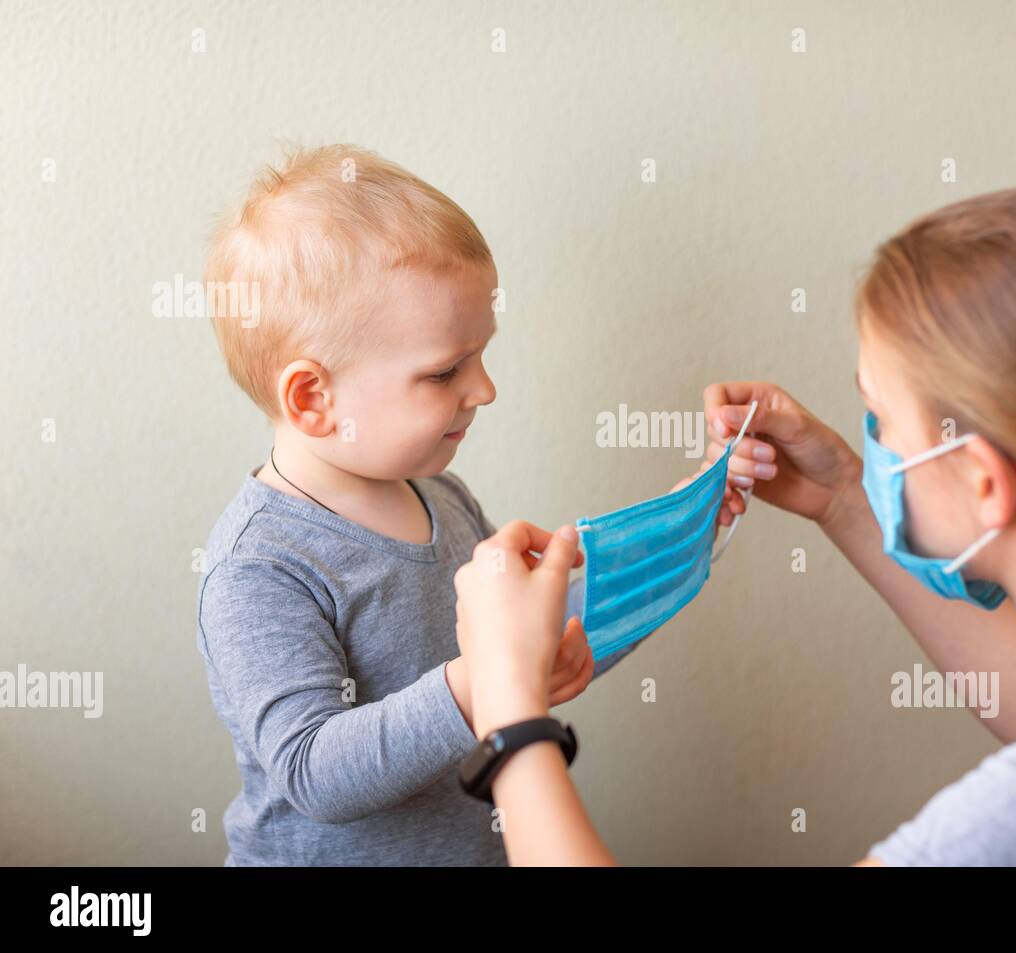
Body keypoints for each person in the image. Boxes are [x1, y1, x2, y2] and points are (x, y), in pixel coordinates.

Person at [452, 186, 1016, 865]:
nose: (874, 443)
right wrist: (844, 497)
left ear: (982, 482)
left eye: (879, 418)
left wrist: (512, 716)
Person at [194, 145, 740, 865]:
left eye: (480, 356)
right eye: (446, 370)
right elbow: (311, 771)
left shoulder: (440, 496)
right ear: (312, 398)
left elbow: (536, 653)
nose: (483, 390)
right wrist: (476, 677)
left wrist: (686, 526)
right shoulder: (259, 568)